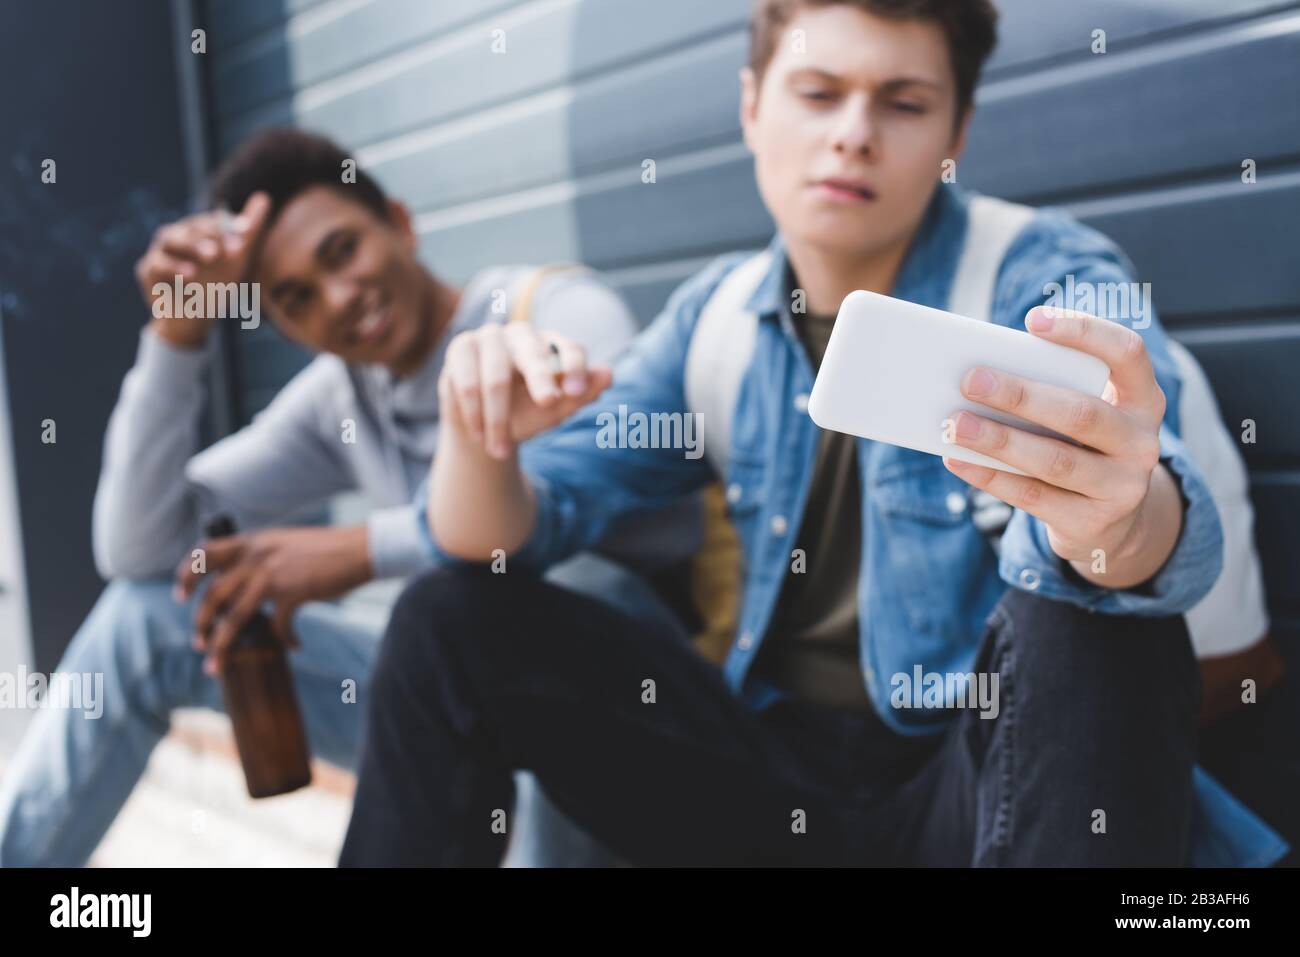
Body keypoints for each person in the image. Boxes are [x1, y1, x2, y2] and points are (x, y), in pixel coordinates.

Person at [339, 0, 1288, 867]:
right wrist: (478, 431)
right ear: (753, 106)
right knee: (447, 619)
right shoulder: (714, 318)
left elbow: (1156, 516)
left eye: (903, 103)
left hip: (967, 787)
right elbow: (497, 538)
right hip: (769, 785)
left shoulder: (1040, 276)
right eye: (818, 93)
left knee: (1088, 601)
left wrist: (1120, 522)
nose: (853, 136)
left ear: (956, 132)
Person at [0, 127, 684, 866]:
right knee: (148, 614)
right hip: (463, 708)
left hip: (645, 714)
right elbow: (138, 549)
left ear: (399, 221)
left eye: (342, 251)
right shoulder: (340, 399)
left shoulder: (552, 313)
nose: (339, 297)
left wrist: (356, 552)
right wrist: (177, 336)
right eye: (296, 298)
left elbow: (558, 511)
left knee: (570, 589)